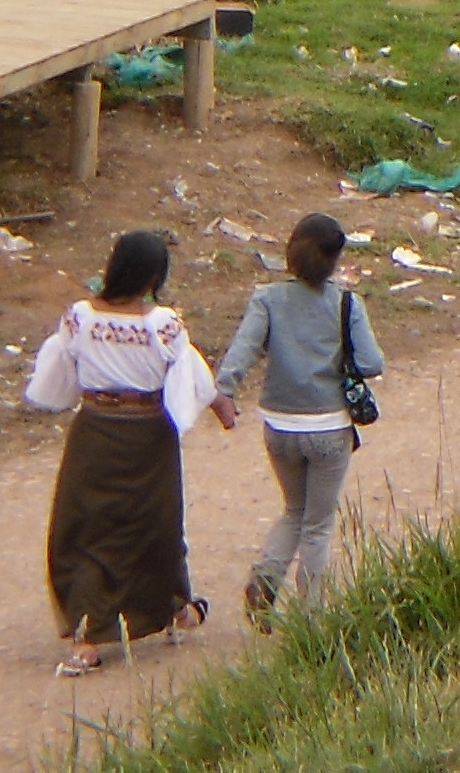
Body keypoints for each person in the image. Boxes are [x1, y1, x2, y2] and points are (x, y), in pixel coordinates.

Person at [24, 228, 214, 674]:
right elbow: (191, 377)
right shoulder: (163, 324)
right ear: (153, 277)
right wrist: (219, 403)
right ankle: (171, 608)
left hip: (93, 435)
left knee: (88, 530)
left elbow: (59, 376)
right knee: (154, 528)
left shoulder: (80, 318)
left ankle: (87, 639)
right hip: (148, 437)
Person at [210, 213, 385, 620]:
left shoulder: (267, 298)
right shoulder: (345, 302)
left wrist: (226, 389)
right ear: (334, 260)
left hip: (279, 425)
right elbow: (372, 362)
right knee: (319, 524)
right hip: (328, 427)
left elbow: (243, 350)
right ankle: (312, 615)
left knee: (294, 509)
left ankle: (267, 578)